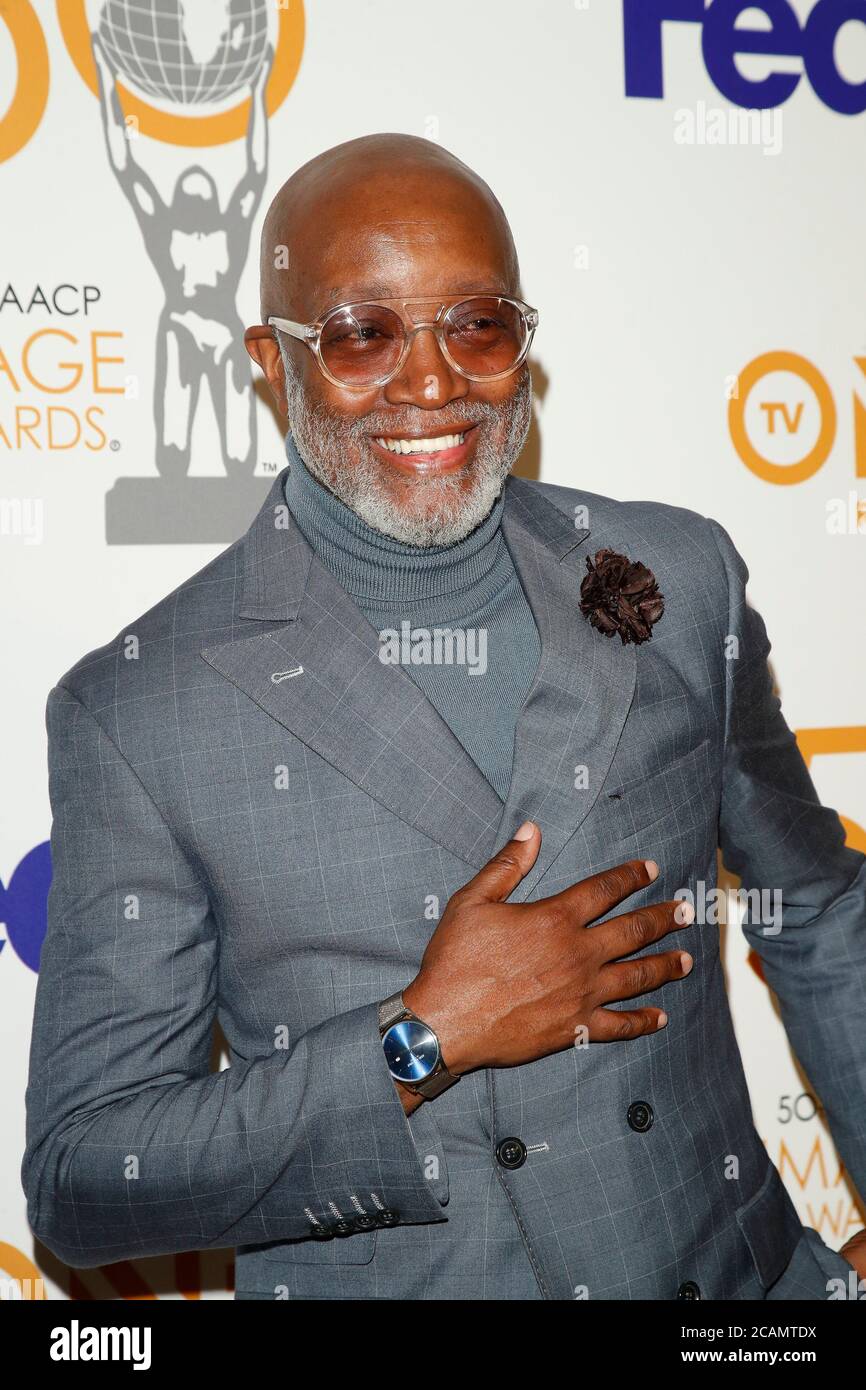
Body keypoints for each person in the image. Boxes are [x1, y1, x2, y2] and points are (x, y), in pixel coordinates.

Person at [22, 134, 866, 1301]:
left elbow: (818, 908)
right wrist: (416, 1040)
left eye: (475, 324)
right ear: (273, 362)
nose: (431, 384)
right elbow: (82, 1181)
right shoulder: (140, 707)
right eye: (362, 333)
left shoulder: (679, 575)